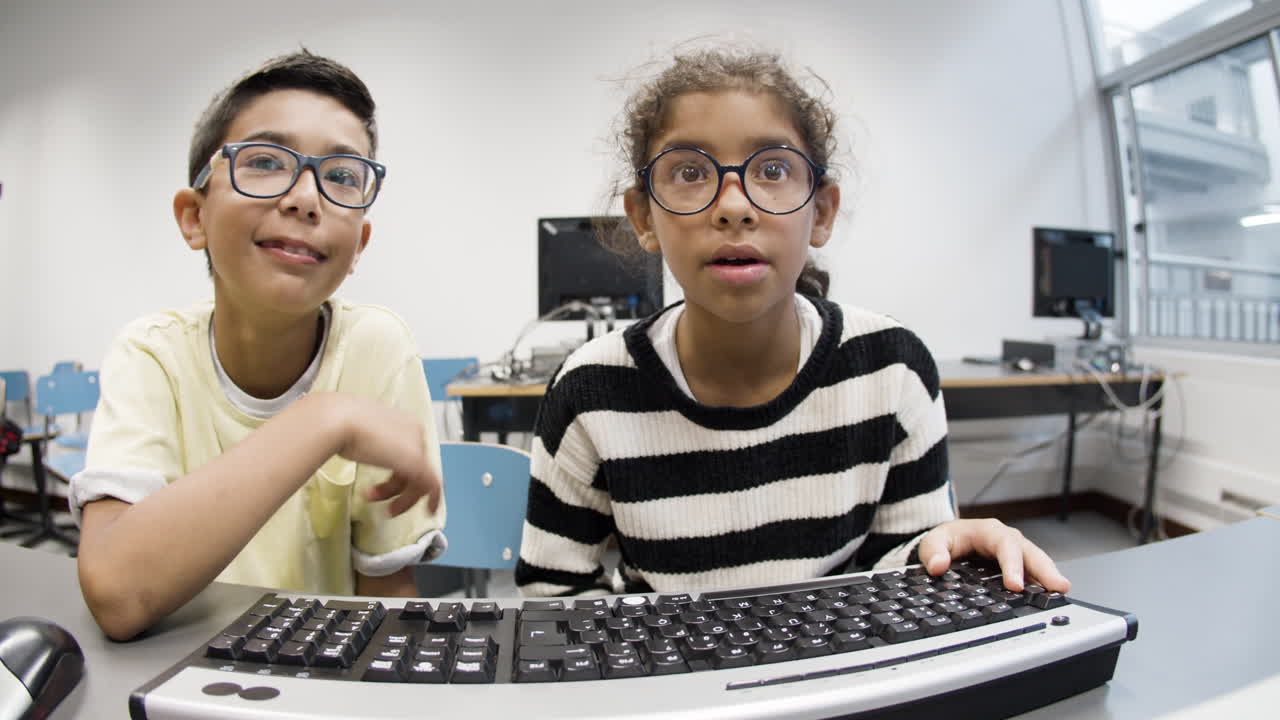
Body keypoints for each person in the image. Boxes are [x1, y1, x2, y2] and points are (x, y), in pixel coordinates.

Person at [515, 47, 1071, 598]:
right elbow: (554, 596)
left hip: (846, 648)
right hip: (665, 652)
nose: (734, 207)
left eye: (773, 169)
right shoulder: (590, 388)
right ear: (643, 216)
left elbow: (906, 571)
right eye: (690, 171)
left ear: (821, 212)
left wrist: (944, 548)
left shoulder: (891, 366)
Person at [72, 51, 446, 641]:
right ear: (194, 217)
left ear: (359, 246)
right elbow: (118, 595)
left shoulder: (376, 347)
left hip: (320, 671)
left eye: (342, 176)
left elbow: (387, 591)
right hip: (174, 665)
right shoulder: (152, 355)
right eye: (266, 162)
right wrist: (326, 420)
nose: (306, 198)